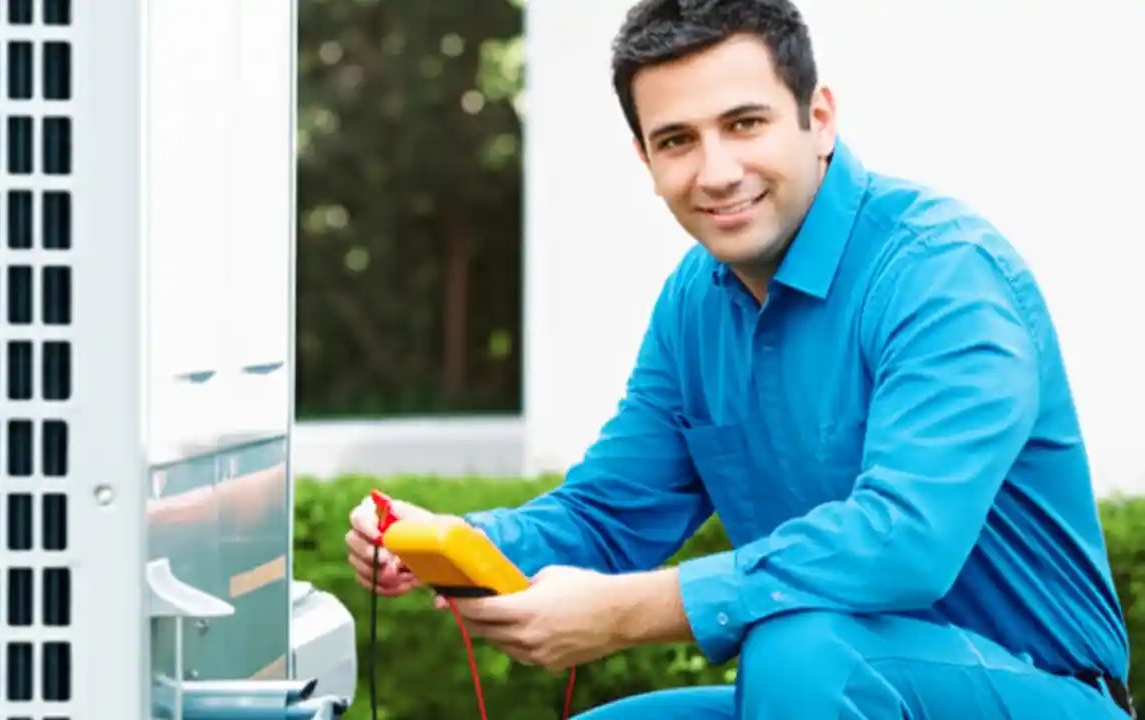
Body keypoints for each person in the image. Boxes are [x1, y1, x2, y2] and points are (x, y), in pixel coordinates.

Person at [345, 0, 1136, 717]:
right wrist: (450, 545)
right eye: (677, 140)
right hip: (821, 689)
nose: (716, 172)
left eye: (745, 123)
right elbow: (608, 514)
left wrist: (621, 614)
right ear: (645, 160)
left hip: (1036, 693)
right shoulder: (694, 304)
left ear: (818, 118)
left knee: (801, 649)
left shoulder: (941, 273)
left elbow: (903, 541)